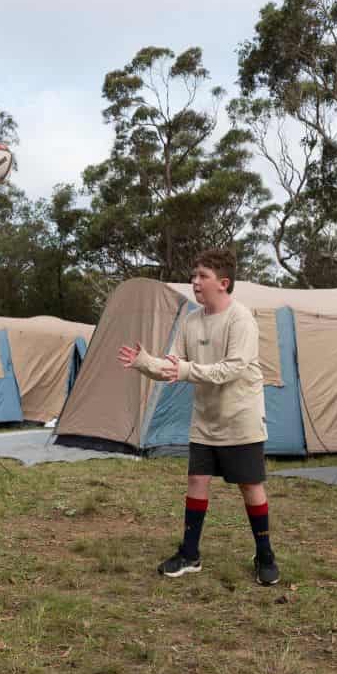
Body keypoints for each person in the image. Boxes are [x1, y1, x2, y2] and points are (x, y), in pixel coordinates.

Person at [119, 247, 280, 586]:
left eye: (202, 276)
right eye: (194, 276)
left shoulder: (241, 319)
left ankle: (265, 555)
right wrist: (145, 363)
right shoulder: (192, 321)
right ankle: (190, 554)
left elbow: (233, 368)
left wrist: (186, 369)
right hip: (205, 421)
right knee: (197, 481)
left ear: (223, 283)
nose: (194, 282)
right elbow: (174, 365)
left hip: (241, 420)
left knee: (250, 486)